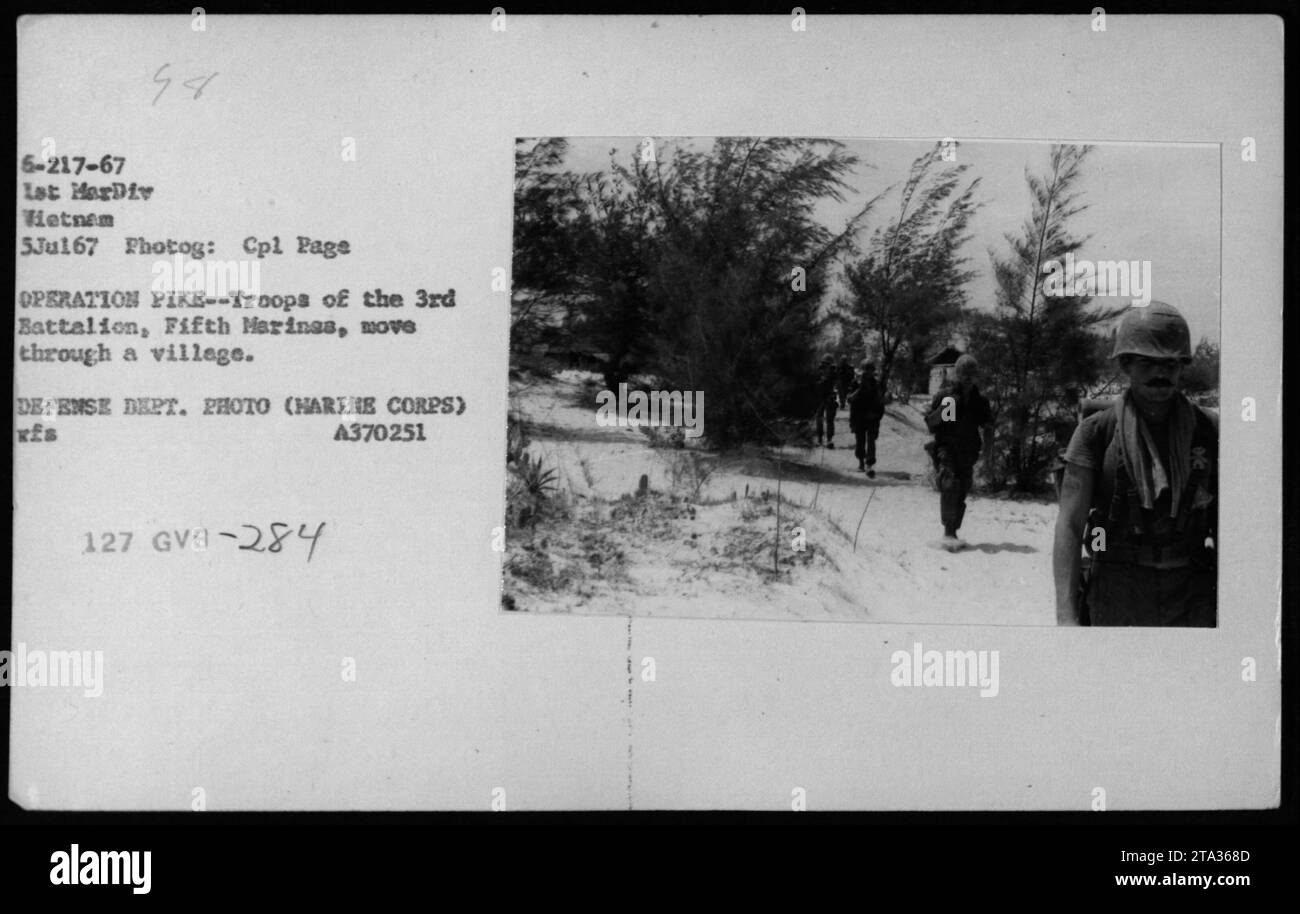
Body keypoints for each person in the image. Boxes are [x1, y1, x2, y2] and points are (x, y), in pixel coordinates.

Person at [1053, 301, 1217, 627]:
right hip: (1116, 591)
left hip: (1192, 594)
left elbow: (1229, 528)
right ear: (1125, 364)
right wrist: (1066, 618)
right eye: (1147, 362)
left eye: (1171, 363)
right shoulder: (1097, 432)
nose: (1161, 373)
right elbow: (1070, 526)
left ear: (1182, 365)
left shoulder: (1207, 430)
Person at [925, 353, 994, 550]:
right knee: (949, 484)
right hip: (948, 448)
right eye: (964, 373)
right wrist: (944, 409)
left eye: (971, 373)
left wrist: (988, 457)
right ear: (957, 374)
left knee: (963, 488)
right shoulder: (948, 397)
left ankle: (954, 529)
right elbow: (936, 426)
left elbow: (987, 427)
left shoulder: (979, 401)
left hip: (968, 450)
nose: (967, 377)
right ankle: (948, 532)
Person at [848, 359, 885, 476]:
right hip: (859, 417)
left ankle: (869, 464)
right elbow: (849, 398)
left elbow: (881, 402)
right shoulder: (855, 383)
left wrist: (877, 415)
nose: (867, 374)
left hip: (871, 417)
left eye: (869, 372)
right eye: (865, 372)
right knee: (860, 440)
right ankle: (861, 463)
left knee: (871, 441)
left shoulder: (876, 384)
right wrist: (860, 389)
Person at [813, 354, 839, 448]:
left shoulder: (834, 373)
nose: (827, 366)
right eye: (825, 364)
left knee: (830, 420)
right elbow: (815, 384)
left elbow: (836, 384)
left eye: (829, 364)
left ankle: (829, 440)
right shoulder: (818, 373)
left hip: (830, 398)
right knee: (819, 418)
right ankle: (819, 439)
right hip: (820, 397)